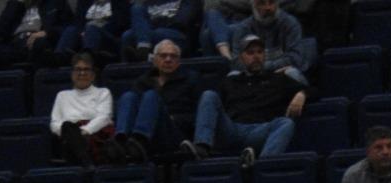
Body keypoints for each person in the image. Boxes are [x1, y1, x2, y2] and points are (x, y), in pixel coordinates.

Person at [190, 33, 303, 163]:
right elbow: (210, 107)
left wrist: (302, 93)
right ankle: (201, 149)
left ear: (264, 55)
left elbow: (314, 90)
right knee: (209, 95)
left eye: (260, 52)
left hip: (261, 131)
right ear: (242, 57)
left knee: (286, 123)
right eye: (250, 52)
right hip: (232, 130)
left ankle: (261, 167)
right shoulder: (230, 81)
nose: (256, 56)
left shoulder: (277, 78)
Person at [115, 40, 197, 158]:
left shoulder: (191, 79)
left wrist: (176, 118)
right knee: (128, 96)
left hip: (175, 133)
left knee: (151, 96)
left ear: (179, 62)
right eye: (163, 56)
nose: (168, 59)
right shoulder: (143, 81)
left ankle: (140, 140)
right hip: (145, 132)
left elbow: (199, 114)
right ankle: (121, 141)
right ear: (154, 60)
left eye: (173, 56)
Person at [212, 0, 312, 76]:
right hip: (252, 76)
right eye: (262, 3)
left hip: (282, 73)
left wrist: (261, 66)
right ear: (253, 5)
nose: (268, 8)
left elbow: (295, 58)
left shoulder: (290, 23)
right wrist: (260, 68)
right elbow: (236, 62)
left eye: (271, 2)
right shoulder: (243, 28)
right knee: (233, 75)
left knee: (293, 73)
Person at [50, 51, 117, 163]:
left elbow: (104, 117)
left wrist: (83, 131)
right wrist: (72, 134)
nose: (82, 73)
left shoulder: (103, 92)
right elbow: (54, 123)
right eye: (78, 69)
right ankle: (85, 160)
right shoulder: (62, 95)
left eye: (86, 69)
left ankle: (84, 160)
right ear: (72, 74)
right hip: (69, 138)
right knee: (67, 126)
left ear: (93, 75)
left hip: (95, 137)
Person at [0, 0, 69, 69]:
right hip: (13, 46)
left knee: (40, 45)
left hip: (38, 43)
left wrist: (47, 32)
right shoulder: (15, 4)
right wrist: (16, 4)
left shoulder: (56, 2)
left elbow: (68, 27)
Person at [58, 0, 129, 59]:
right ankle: (58, 58)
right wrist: (82, 31)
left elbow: (120, 22)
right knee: (70, 30)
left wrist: (96, 29)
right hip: (85, 34)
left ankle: (87, 59)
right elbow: (78, 21)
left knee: (92, 29)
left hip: (108, 35)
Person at [127, 0, 196, 60]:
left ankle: (144, 52)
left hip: (176, 34)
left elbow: (182, 21)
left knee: (150, 33)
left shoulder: (185, 1)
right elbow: (142, 23)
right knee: (127, 35)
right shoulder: (148, 3)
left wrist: (154, 23)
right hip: (151, 33)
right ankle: (144, 53)